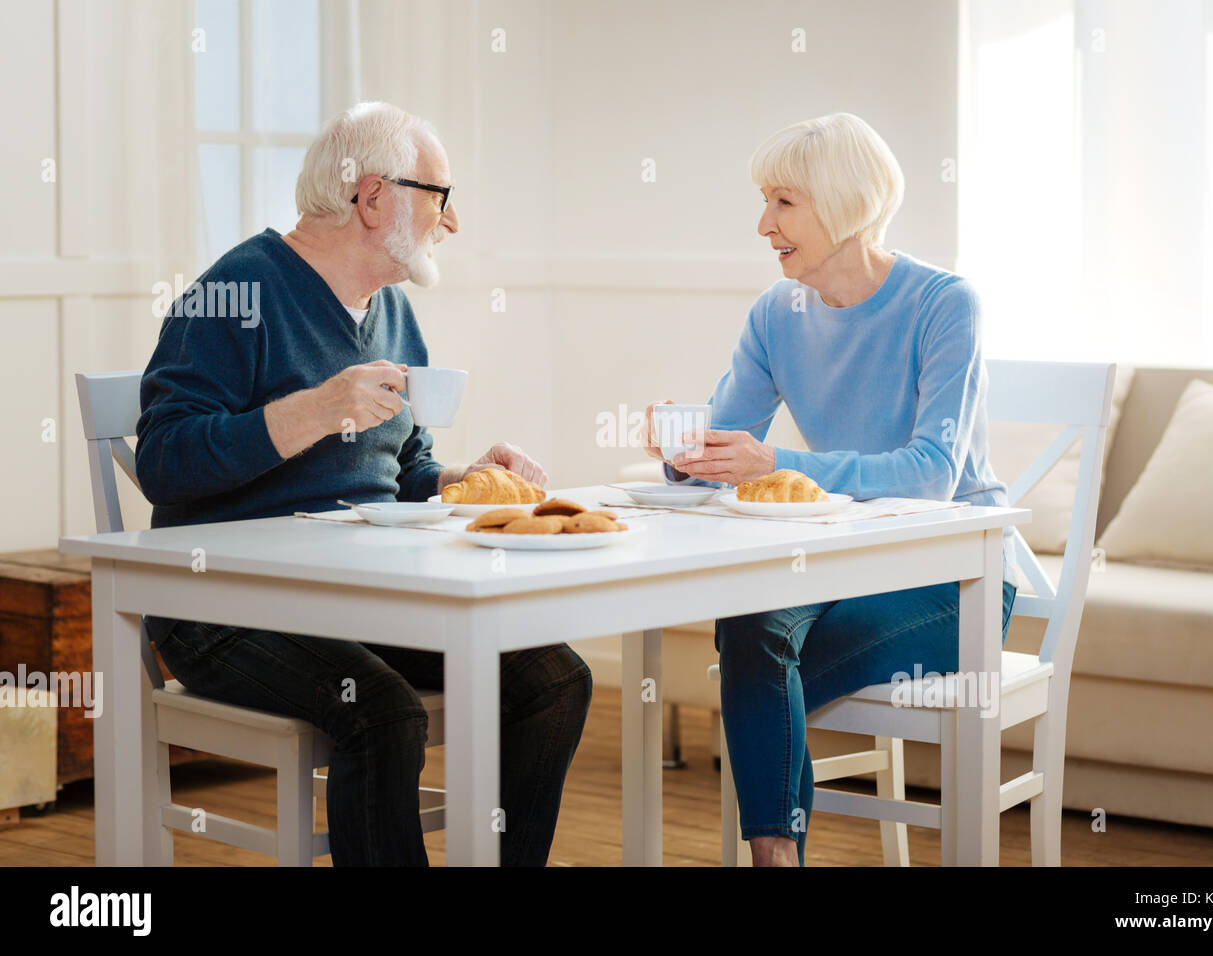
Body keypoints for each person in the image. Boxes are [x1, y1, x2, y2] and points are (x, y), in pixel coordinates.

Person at [136, 102, 591, 866]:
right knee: (381, 712)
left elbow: (401, 468)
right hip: (224, 608)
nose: (451, 222)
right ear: (373, 197)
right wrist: (309, 412)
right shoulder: (237, 290)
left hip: (358, 597)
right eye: (439, 197)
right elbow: (165, 458)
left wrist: (466, 480)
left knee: (553, 678)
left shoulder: (392, 312)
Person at [639, 113, 1018, 866]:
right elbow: (730, 440)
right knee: (750, 629)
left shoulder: (945, 303)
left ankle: (775, 852)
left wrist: (776, 462)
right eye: (764, 201)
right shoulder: (778, 314)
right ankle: (779, 859)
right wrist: (683, 453)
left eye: (783, 203)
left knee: (759, 677)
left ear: (843, 203)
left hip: (957, 576)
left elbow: (931, 475)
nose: (762, 224)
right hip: (844, 562)